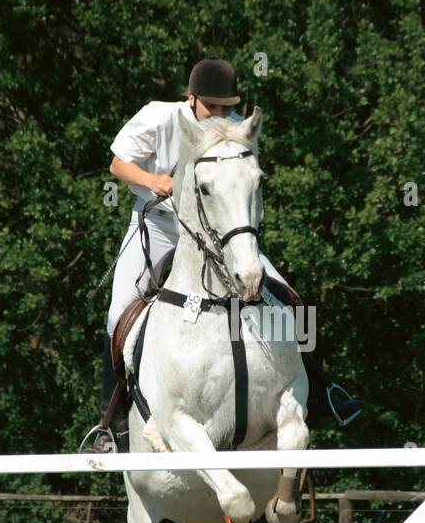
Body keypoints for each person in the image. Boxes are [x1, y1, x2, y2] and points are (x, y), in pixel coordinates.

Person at [80, 58, 362, 453]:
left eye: (227, 107)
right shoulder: (157, 118)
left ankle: (322, 388)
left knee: (285, 296)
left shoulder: (236, 130)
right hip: (160, 227)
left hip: (217, 233)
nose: (220, 116)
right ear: (190, 98)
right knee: (118, 313)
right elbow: (116, 164)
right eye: (212, 107)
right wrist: (153, 181)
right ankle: (111, 422)